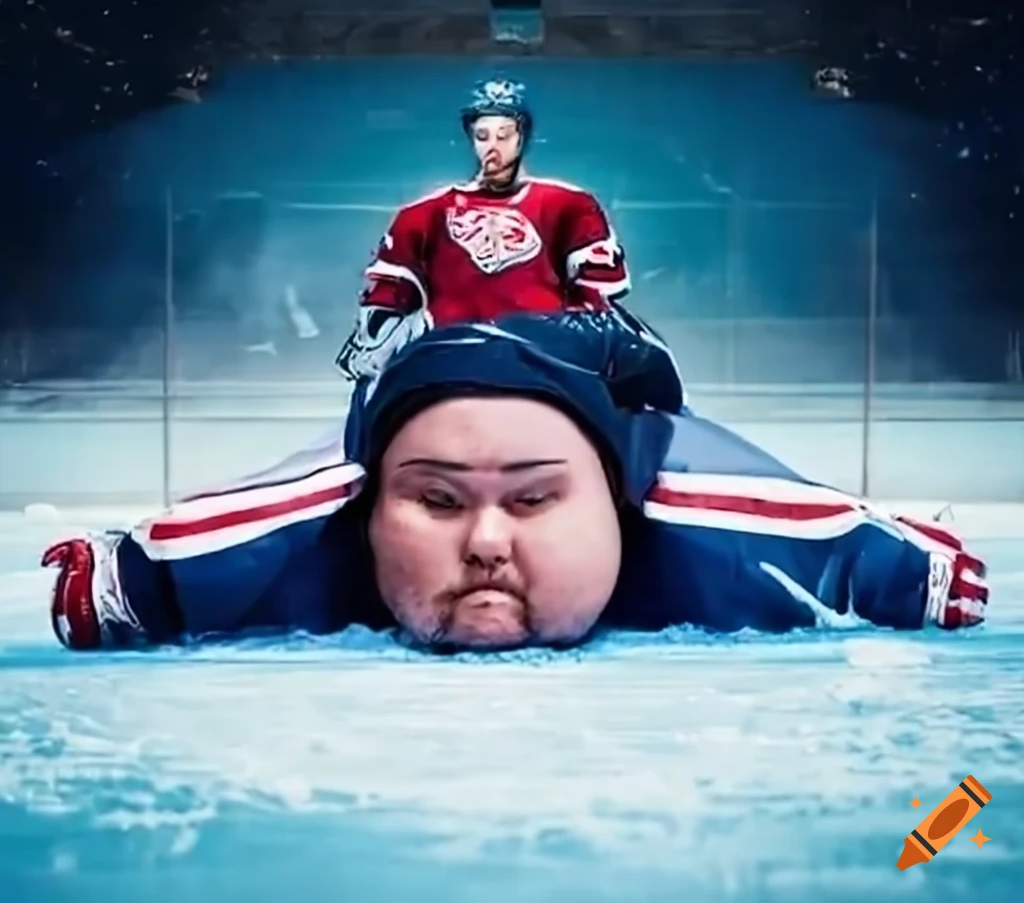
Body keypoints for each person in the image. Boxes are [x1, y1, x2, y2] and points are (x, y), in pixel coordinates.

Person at [44, 314, 989, 652]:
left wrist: (914, 567)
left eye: (535, 499)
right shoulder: (288, 535)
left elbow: (926, 568)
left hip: (607, 363)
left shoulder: (736, 526)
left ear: (619, 500)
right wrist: (120, 580)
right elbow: (135, 574)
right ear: (370, 510)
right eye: (437, 501)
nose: (487, 545)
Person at [335, 77, 648, 382]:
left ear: (523, 136)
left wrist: (568, 340)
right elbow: (387, 295)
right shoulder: (422, 215)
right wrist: (378, 341)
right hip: (446, 352)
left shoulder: (571, 205)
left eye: (504, 135)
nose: (493, 147)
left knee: (643, 375)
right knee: (371, 392)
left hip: (545, 355)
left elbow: (597, 293)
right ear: (471, 139)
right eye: (483, 136)